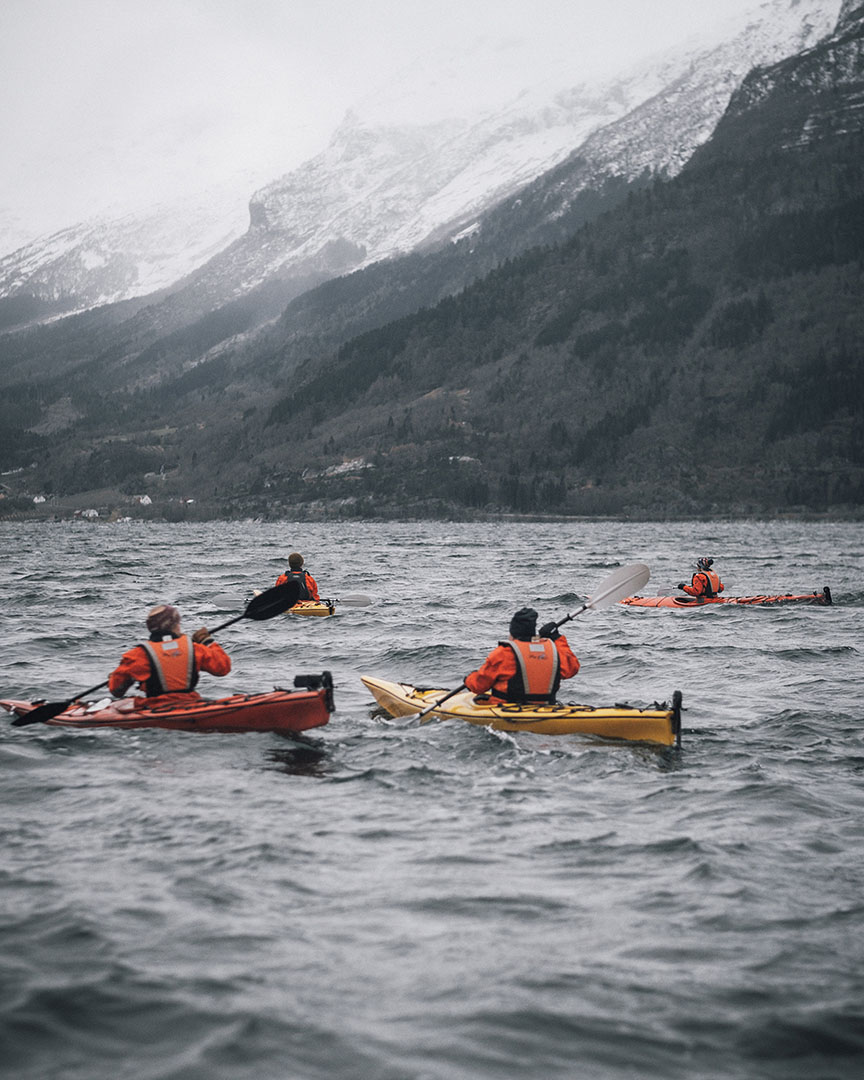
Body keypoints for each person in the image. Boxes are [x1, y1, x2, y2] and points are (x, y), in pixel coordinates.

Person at [108, 604, 231, 704]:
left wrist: (116, 678)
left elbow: (116, 691)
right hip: (191, 703)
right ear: (175, 625)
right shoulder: (193, 648)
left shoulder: (137, 655)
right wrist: (207, 641)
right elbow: (222, 668)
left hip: (154, 707)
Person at [464, 607, 580, 705]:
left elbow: (479, 686)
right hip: (546, 707)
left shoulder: (503, 653)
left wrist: (468, 680)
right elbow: (572, 669)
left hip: (507, 708)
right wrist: (556, 638)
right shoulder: (551, 650)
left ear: (513, 633)